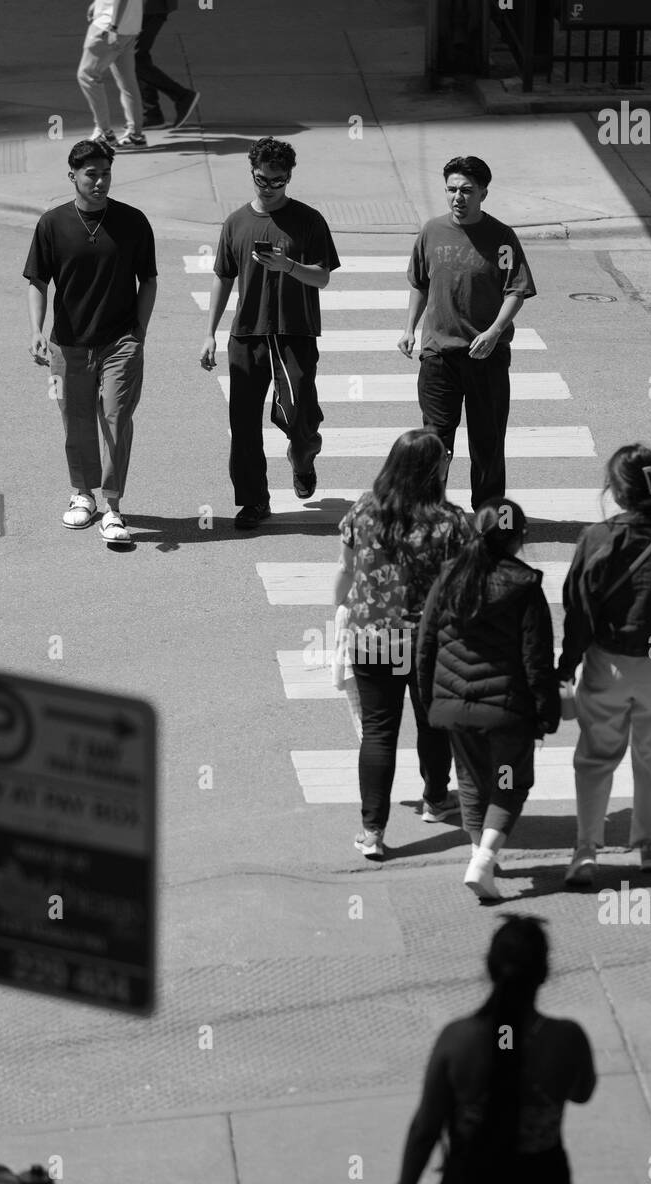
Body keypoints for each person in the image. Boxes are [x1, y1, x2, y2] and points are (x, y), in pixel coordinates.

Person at [391, 915, 596, 1184]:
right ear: (544, 972)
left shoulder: (458, 1040)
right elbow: (582, 1093)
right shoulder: (566, 1039)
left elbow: (425, 1129)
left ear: (489, 966)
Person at [556, 444, 651, 886]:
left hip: (607, 662)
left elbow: (577, 609)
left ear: (615, 491)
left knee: (596, 758)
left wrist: (568, 664)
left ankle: (586, 850)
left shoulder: (596, 540)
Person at [333, 430, 472, 859]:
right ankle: (435, 797)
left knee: (379, 732)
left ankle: (372, 831)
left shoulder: (364, 510)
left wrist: (342, 610)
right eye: (445, 457)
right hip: (429, 641)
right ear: (435, 469)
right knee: (433, 722)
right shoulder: (451, 521)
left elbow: (345, 570)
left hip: (373, 638)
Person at [417, 499, 559, 900]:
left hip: (453, 707)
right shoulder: (526, 585)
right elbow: (536, 659)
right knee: (510, 783)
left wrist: (431, 701)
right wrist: (546, 714)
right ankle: (483, 860)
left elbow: (425, 645)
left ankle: (482, 859)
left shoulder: (448, 577)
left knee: (473, 785)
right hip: (507, 712)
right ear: (518, 539)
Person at [199, 137, 341, 530]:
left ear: (289, 177)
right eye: (262, 179)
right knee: (243, 425)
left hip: (295, 333)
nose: (269, 187)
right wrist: (210, 333)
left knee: (301, 418)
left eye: (277, 181)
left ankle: (303, 455)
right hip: (247, 335)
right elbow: (223, 277)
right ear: (253, 173)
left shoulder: (309, 220)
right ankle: (253, 502)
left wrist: (288, 265)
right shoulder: (236, 222)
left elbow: (323, 277)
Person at [23, 138, 157, 545]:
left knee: (116, 418)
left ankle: (113, 507)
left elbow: (147, 279)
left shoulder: (133, 222)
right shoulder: (52, 223)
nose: (100, 182)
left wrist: (140, 332)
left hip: (121, 341)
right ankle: (83, 494)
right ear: (73, 177)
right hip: (68, 344)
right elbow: (37, 281)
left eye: (106, 174)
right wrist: (36, 331)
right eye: (91, 174)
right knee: (76, 422)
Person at [399, 155, 536, 511]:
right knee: (435, 442)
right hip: (438, 356)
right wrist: (409, 328)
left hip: (486, 357)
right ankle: (431, 514)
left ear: (483, 194)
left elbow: (516, 290)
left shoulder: (501, 238)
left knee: (487, 443)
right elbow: (420, 282)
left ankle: (489, 517)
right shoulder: (431, 231)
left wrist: (493, 332)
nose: (457, 197)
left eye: (466, 190)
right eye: (451, 189)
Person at [78, 0, 148, 152]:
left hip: (108, 26)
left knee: (87, 75)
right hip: (130, 27)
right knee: (127, 80)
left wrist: (113, 27)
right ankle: (136, 135)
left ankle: (104, 133)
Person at [135, 0, 200, 131]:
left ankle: (181, 96)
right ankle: (152, 114)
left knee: (133, 58)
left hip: (148, 7)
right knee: (138, 57)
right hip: (146, 7)